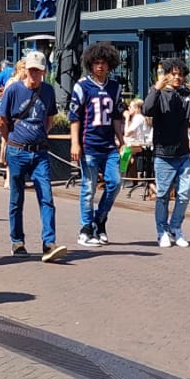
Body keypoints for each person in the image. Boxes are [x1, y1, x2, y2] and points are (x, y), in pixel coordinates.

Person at [0, 50, 65, 262]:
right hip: (17, 150)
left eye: (38, 71)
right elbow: (2, 121)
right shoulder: (13, 90)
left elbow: (49, 118)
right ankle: (17, 241)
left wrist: (41, 135)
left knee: (47, 196)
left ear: (43, 72)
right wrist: (9, 141)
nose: (33, 75)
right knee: (17, 198)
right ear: (25, 70)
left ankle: (49, 242)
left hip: (40, 152)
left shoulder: (48, 91)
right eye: (31, 70)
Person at [142, 58, 190, 249]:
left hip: (183, 153)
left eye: (180, 74)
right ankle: (161, 231)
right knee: (162, 195)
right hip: (163, 154)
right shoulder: (158, 93)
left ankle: (175, 227)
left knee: (185, 194)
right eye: (174, 74)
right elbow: (147, 109)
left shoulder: (186, 94)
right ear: (166, 75)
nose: (177, 77)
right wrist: (156, 88)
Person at [68, 42, 124, 247]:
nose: (100, 66)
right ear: (90, 64)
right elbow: (74, 117)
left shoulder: (115, 87)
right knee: (88, 188)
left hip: (109, 146)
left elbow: (116, 116)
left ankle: (99, 219)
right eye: (96, 63)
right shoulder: (82, 86)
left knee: (115, 183)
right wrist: (75, 143)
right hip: (89, 145)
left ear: (110, 65)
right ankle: (85, 228)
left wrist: (121, 140)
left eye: (104, 63)